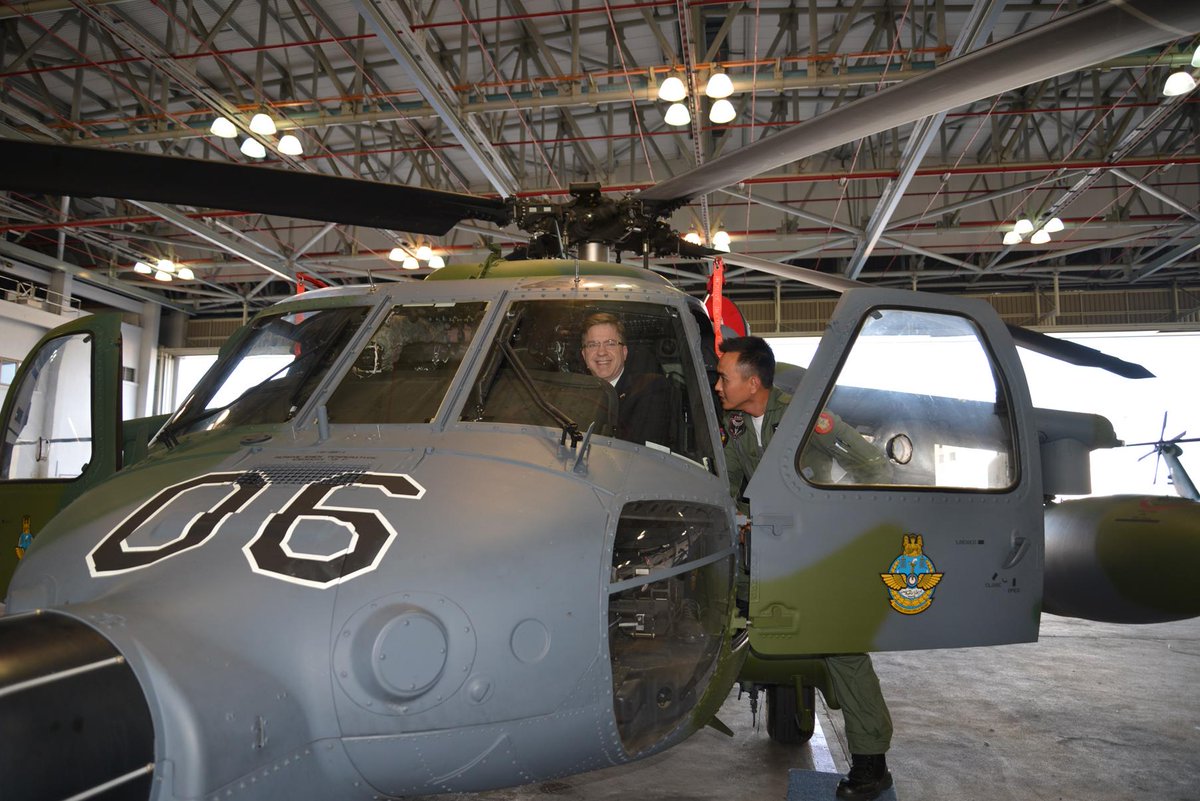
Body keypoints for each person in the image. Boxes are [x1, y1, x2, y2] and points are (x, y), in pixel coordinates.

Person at [715, 336, 894, 801]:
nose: (717, 385)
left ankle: (872, 766)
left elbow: (873, 466)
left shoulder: (805, 419)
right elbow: (731, 485)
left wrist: (836, 520)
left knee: (844, 652)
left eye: (724, 377)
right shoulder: (736, 424)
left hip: (813, 560)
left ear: (753, 383)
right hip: (763, 561)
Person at [580, 313, 671, 447]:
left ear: (624, 352)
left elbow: (638, 451)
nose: (601, 352)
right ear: (584, 355)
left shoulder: (650, 388)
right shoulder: (572, 395)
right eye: (593, 345)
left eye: (610, 344)